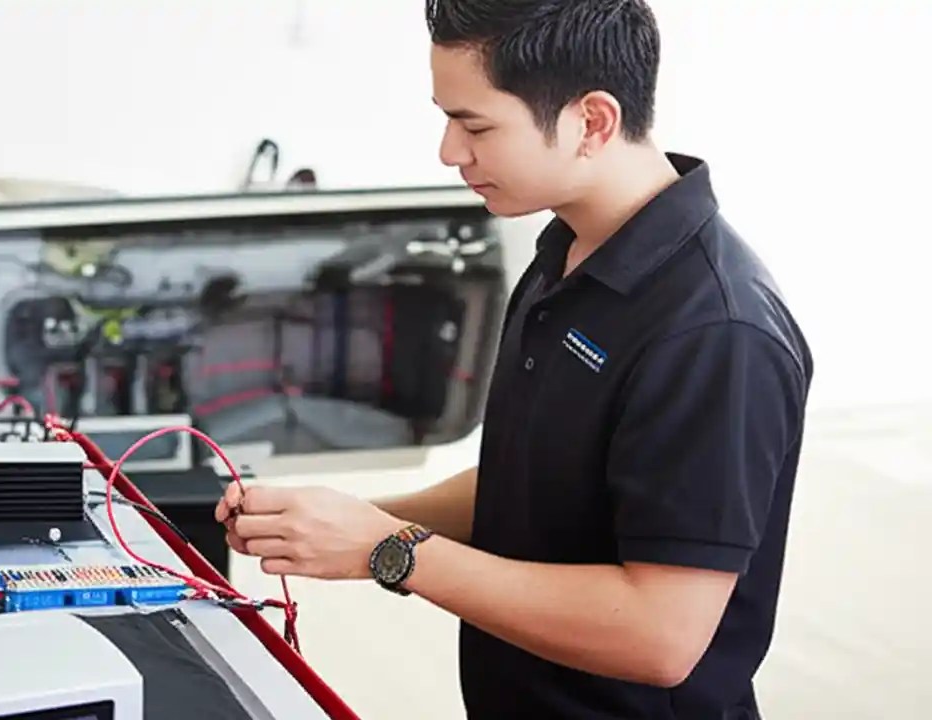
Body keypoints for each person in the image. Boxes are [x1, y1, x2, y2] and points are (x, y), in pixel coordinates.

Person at [215, 0, 812, 717]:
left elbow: (660, 635)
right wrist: (349, 522)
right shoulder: (562, 253)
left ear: (592, 121)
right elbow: (536, 480)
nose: (449, 151)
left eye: (475, 125)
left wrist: (390, 549)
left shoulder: (716, 331)